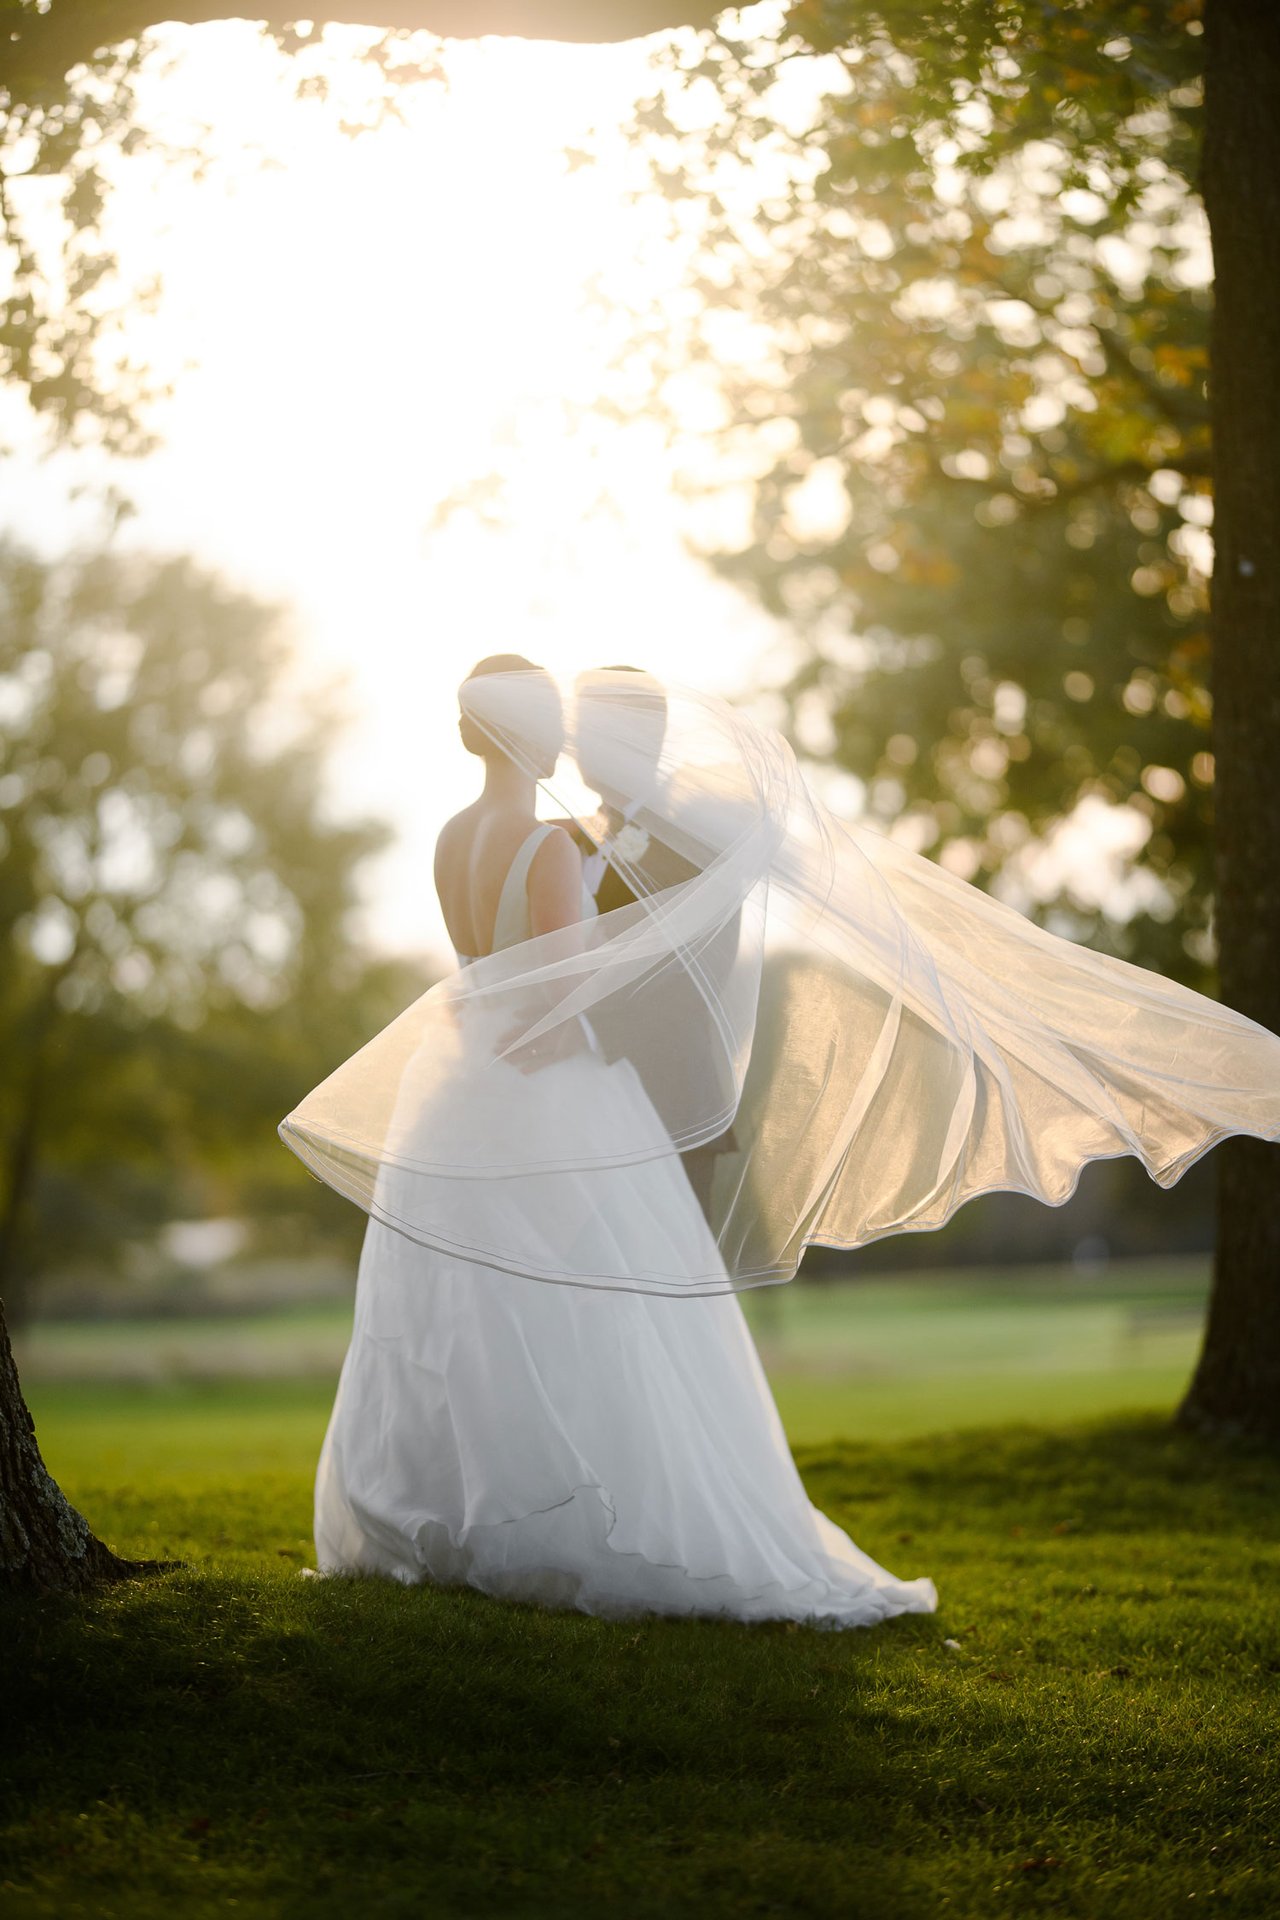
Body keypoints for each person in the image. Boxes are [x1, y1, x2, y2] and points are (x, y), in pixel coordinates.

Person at [304, 654, 938, 1628]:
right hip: (547, 1093)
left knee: (474, 1312)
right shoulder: (550, 847)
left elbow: (482, 973)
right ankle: (590, 1515)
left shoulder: (445, 837)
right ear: (537, 736)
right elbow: (558, 1003)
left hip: (458, 1094)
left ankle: (459, 1510)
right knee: (598, 1313)